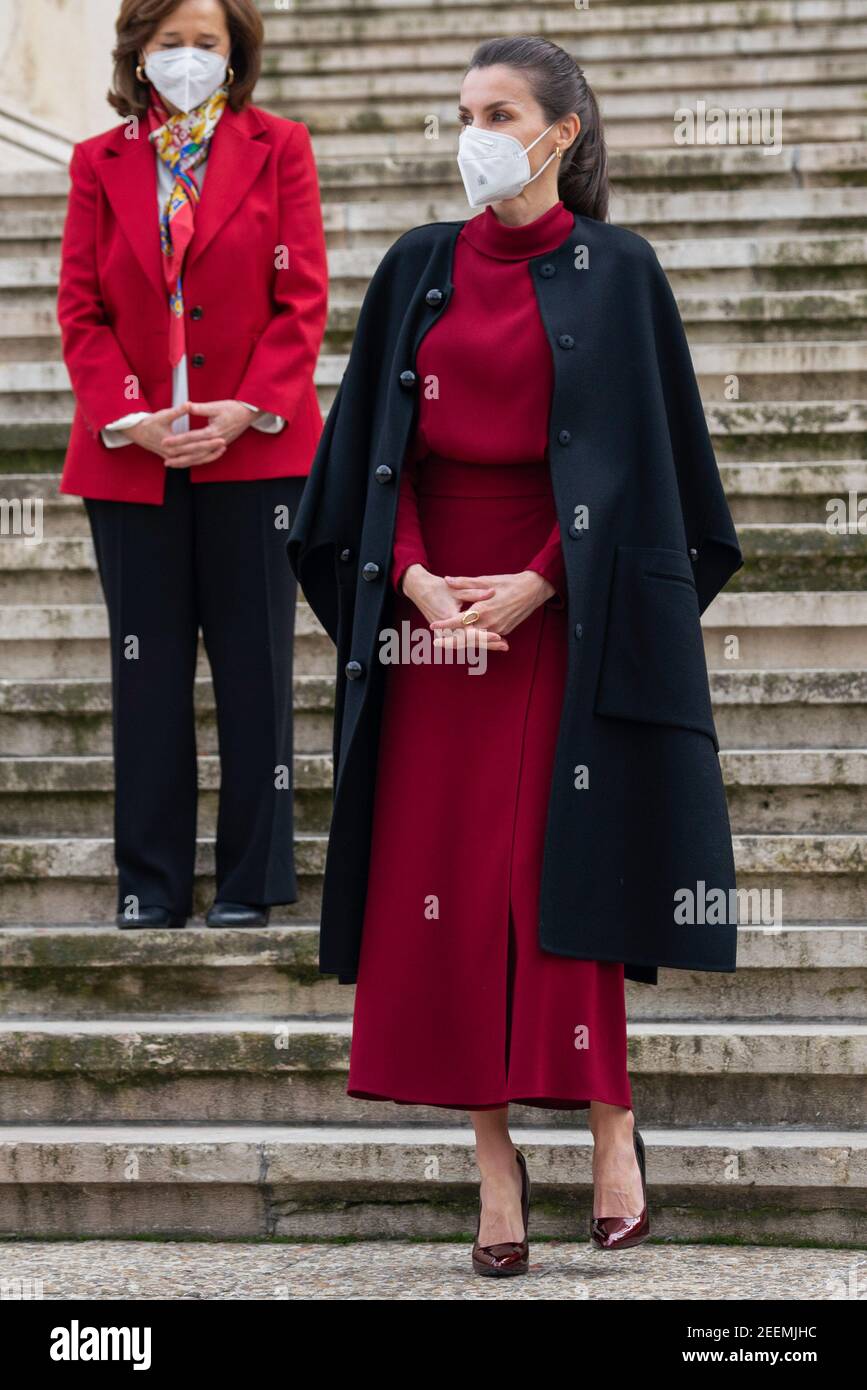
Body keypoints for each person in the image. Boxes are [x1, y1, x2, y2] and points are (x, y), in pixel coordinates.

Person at [289, 36, 742, 1275]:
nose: (474, 133)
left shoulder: (621, 272)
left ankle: (610, 1126)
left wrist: (541, 583)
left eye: (499, 112)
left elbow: (652, 474)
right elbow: (376, 459)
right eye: (462, 111)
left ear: (563, 135)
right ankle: (494, 1163)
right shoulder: (417, 269)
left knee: (558, 877)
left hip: (564, 617)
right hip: (431, 617)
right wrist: (424, 582)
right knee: (438, 890)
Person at [57, 0, 328, 930]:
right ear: (138, 52)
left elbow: (303, 297)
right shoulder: (99, 161)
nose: (186, 59)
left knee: (255, 671)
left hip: (254, 453)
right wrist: (131, 419)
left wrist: (248, 406)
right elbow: (80, 311)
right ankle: (151, 883)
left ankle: (251, 881)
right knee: (148, 674)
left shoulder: (279, 146)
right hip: (132, 462)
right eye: (168, 43)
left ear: (235, 52)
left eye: (205, 43)